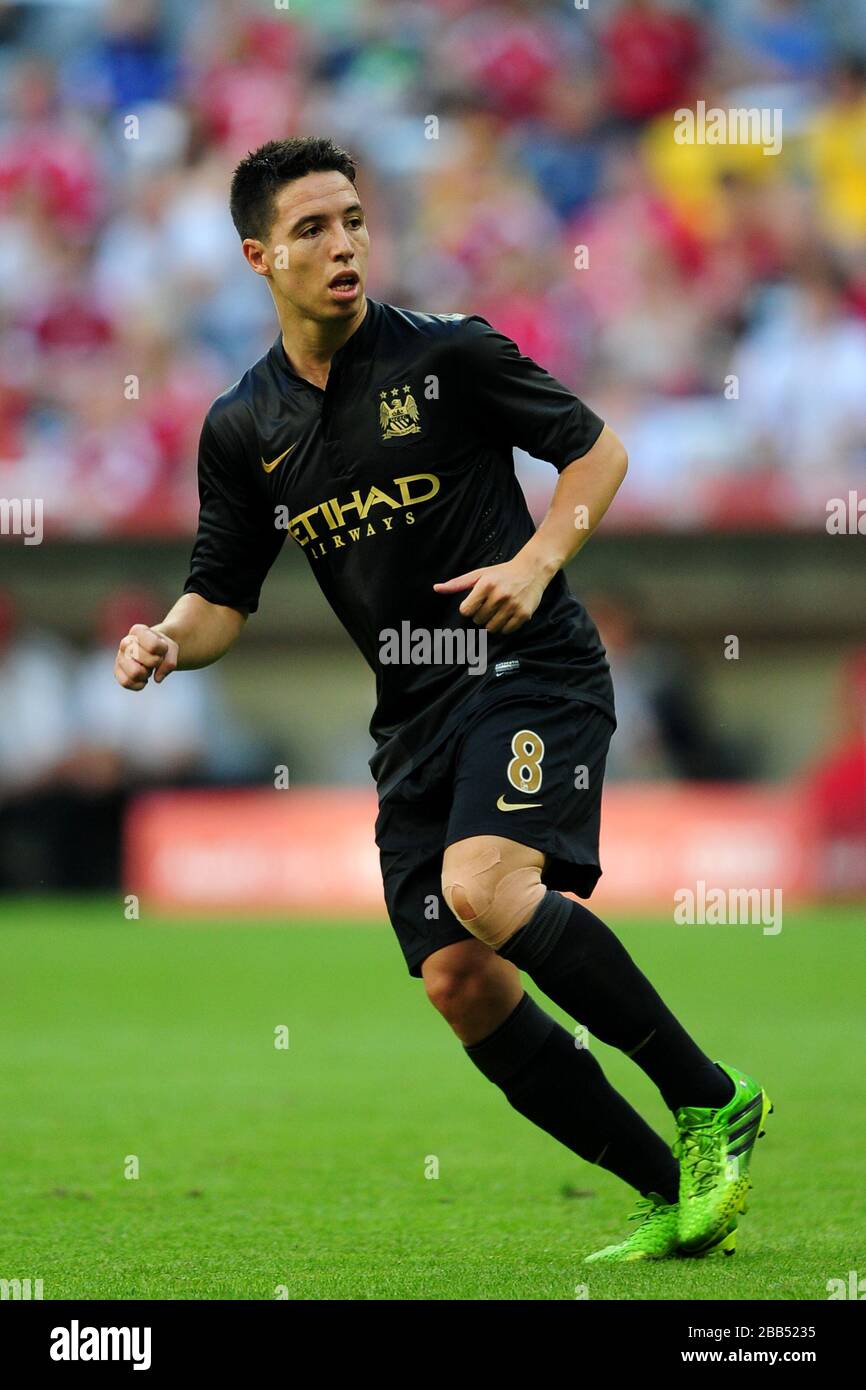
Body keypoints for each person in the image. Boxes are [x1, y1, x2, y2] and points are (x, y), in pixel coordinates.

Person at [113, 137, 772, 1263]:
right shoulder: (243, 428)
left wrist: (536, 562)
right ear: (256, 255)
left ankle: (708, 1094)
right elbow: (220, 597)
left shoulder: (448, 356)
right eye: (313, 228)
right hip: (410, 718)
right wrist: (169, 641)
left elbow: (597, 453)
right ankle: (672, 1194)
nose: (343, 246)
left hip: (531, 673)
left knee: (483, 886)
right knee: (459, 981)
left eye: (355, 221)